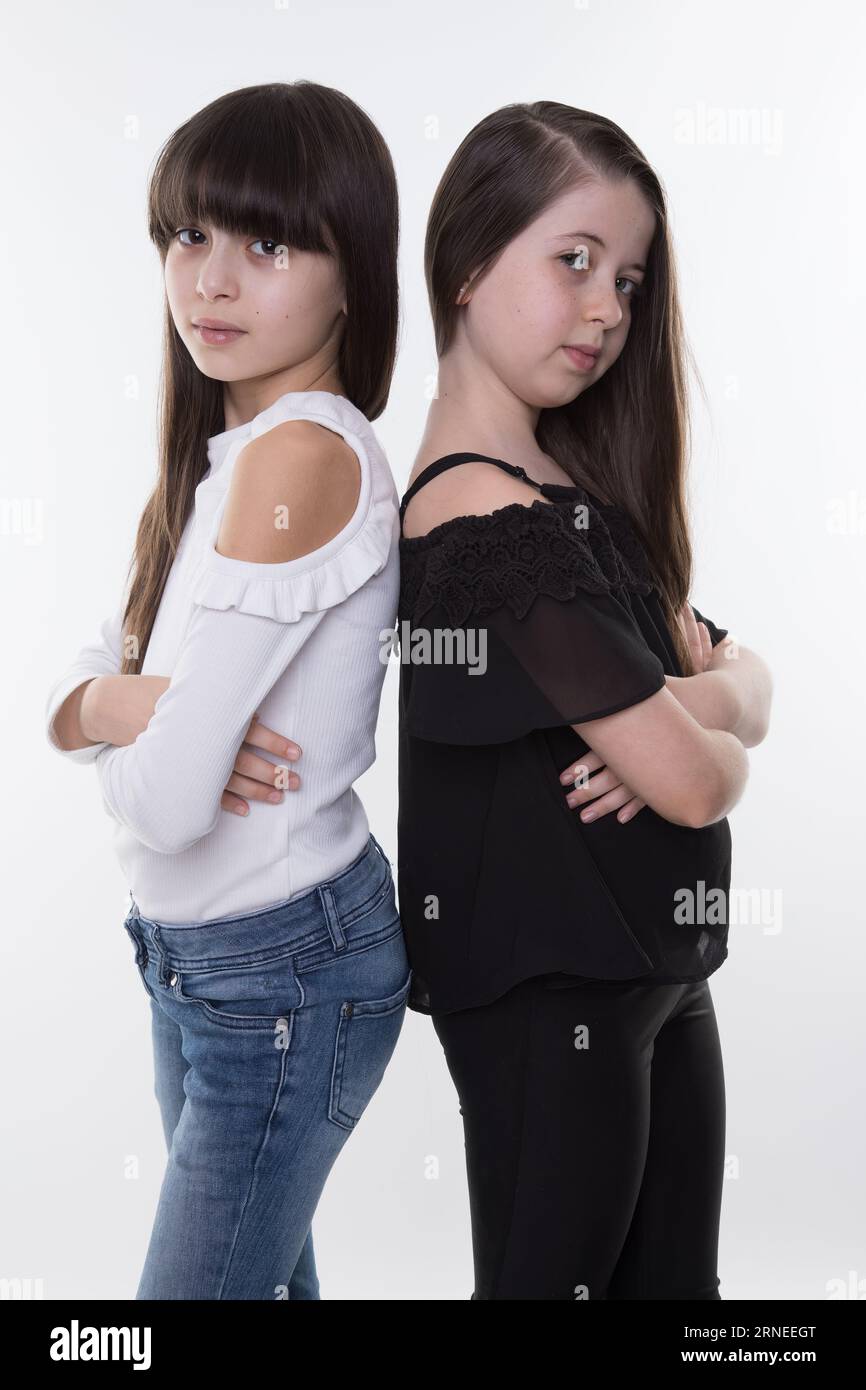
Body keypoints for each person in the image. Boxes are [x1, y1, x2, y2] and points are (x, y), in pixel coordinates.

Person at [397, 101, 773, 1300]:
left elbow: (747, 678)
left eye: (627, 276)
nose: (608, 305)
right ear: (466, 263)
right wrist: (689, 718)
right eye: (573, 262)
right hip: (550, 997)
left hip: (662, 976)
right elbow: (703, 773)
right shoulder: (477, 518)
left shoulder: (569, 491)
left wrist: (678, 700)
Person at [44, 81, 409, 1300]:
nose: (209, 279)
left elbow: (163, 808)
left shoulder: (301, 454)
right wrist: (126, 706)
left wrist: (121, 713)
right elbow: (68, 687)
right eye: (187, 236)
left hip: (281, 976)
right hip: (199, 964)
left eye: (266, 243)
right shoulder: (218, 465)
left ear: (352, 274)